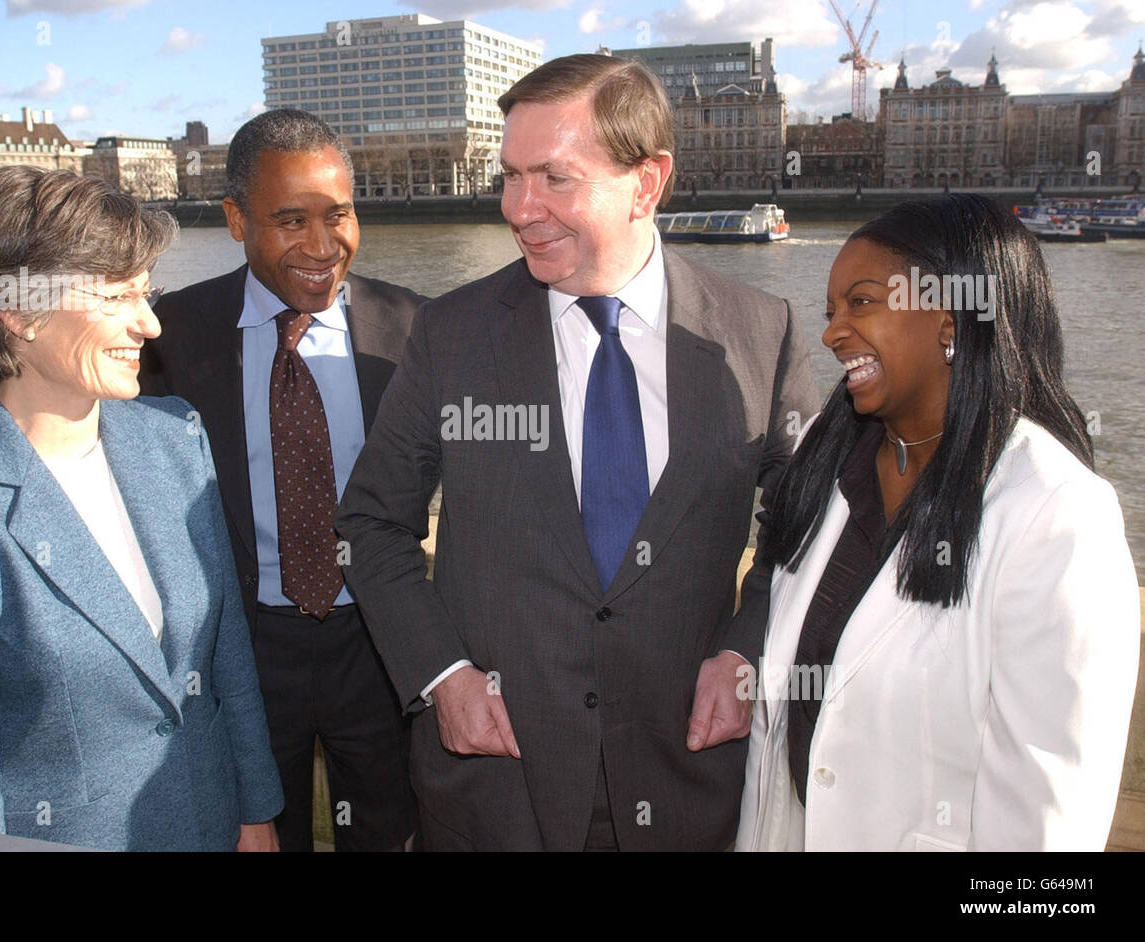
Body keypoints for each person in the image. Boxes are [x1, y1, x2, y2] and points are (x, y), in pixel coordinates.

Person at [335, 54, 819, 851]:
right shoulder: (451, 334)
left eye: (555, 178)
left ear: (647, 182)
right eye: (510, 176)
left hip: (685, 781)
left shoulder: (762, 333)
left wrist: (745, 646)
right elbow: (370, 524)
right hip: (497, 787)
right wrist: (443, 676)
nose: (519, 209)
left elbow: (804, 529)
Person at [0, 166, 283, 851]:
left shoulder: (175, 438)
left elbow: (226, 659)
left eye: (147, 290)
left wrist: (256, 811)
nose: (150, 321)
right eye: (116, 295)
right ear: (17, 311)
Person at [736, 194, 1140, 851]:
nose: (833, 333)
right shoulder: (824, 458)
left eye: (860, 303)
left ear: (953, 319)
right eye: (831, 310)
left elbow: (1047, 822)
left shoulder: (1056, 515)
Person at [140, 109, 424, 852]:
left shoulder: (418, 331)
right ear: (236, 219)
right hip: (242, 655)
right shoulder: (169, 333)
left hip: (384, 645)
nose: (322, 246)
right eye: (290, 220)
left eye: (339, 215)